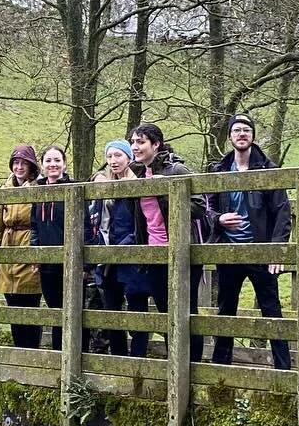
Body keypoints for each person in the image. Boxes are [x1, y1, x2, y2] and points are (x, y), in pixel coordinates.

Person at [208, 113, 293, 370]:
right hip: (229, 251)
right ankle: (220, 369)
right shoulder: (219, 170)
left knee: (271, 310)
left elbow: (282, 211)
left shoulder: (268, 169)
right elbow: (206, 208)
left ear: (252, 135)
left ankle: (283, 369)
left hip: (260, 251)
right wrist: (219, 219)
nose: (241, 134)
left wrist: (277, 249)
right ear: (230, 136)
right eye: (236, 130)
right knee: (226, 309)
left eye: (246, 130)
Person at [123, 123, 213, 361]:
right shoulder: (137, 173)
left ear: (156, 144)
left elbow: (199, 206)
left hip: (181, 254)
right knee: (165, 312)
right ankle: (175, 362)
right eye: (133, 142)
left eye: (141, 142)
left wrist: (165, 190)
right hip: (153, 254)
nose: (135, 147)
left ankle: (192, 365)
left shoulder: (177, 170)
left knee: (185, 311)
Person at [32, 145, 90, 352]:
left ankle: (78, 355)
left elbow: (84, 226)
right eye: (48, 160)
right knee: (55, 310)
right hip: (47, 263)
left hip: (72, 262)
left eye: (57, 160)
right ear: (42, 165)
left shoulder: (75, 188)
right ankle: (59, 354)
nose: (53, 164)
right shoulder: (38, 191)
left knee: (74, 310)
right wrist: (35, 253)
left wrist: (85, 264)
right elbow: (35, 226)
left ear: (64, 164)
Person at [89, 139, 136, 355]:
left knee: (137, 313)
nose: (113, 161)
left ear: (129, 158)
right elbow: (95, 223)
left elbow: (141, 225)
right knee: (111, 312)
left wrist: (122, 248)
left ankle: (138, 362)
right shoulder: (102, 187)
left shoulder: (136, 185)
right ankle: (119, 359)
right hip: (104, 259)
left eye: (118, 156)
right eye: (109, 156)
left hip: (129, 257)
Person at [0, 144, 42, 348]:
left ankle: (32, 350)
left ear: (31, 166)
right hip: (7, 247)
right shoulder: (4, 190)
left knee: (30, 304)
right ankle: (18, 349)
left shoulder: (39, 188)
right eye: (16, 162)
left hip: (28, 243)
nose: (19, 167)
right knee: (12, 303)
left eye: (24, 163)